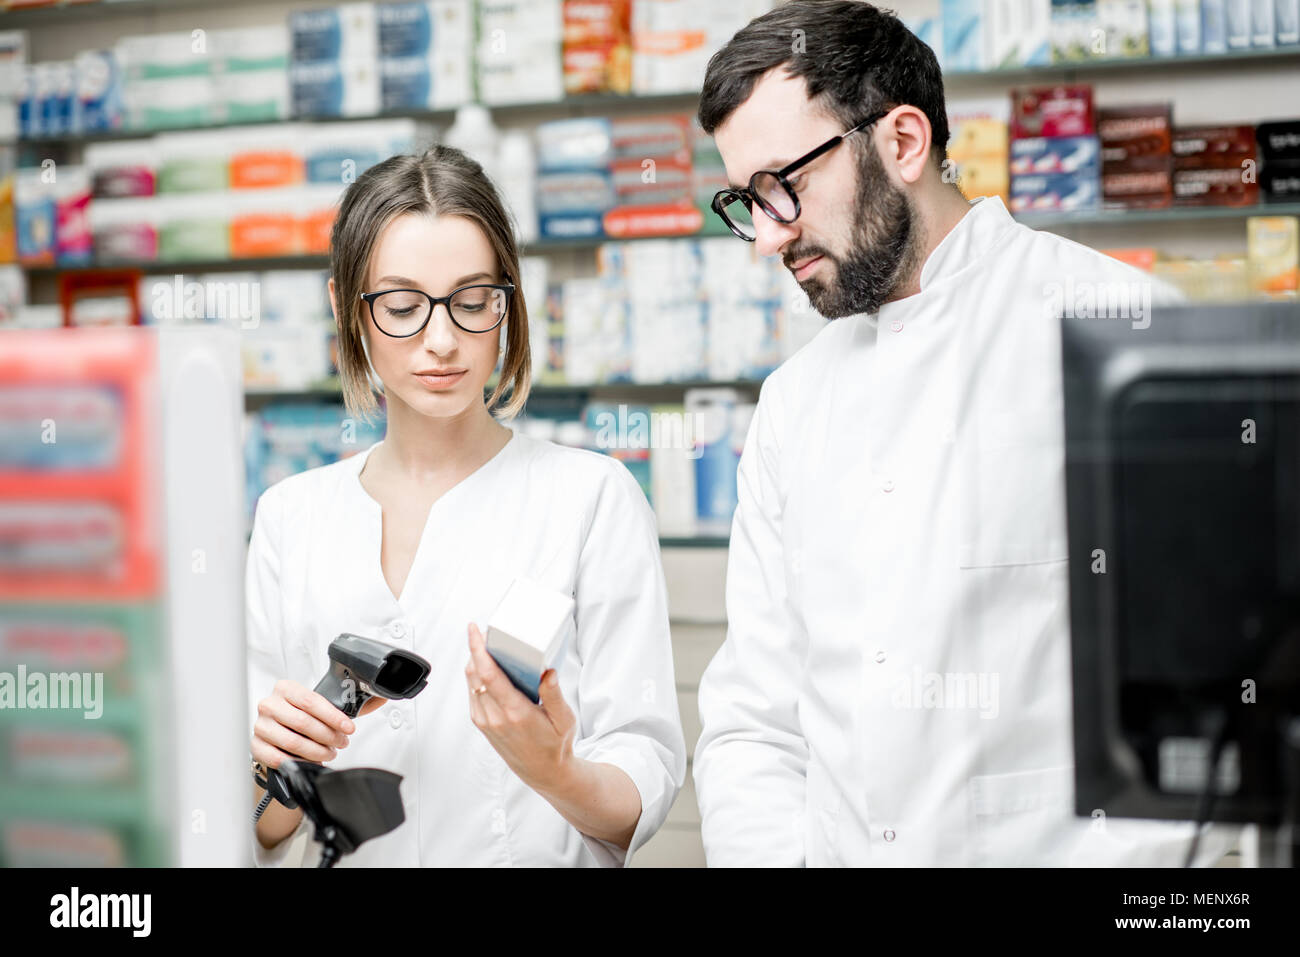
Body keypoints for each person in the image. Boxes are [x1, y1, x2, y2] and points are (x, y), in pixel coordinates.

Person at [692, 0, 1243, 866]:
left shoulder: (1126, 336)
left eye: (782, 186)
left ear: (902, 142)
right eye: (744, 201)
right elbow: (755, 719)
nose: (767, 236)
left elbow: (1216, 702)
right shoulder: (793, 405)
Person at [246, 144, 685, 867]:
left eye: (473, 300)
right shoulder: (290, 515)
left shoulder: (590, 498)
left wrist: (555, 769)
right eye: (402, 304)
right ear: (345, 309)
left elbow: (643, 781)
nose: (443, 340)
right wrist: (280, 773)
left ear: (508, 301)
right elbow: (263, 826)